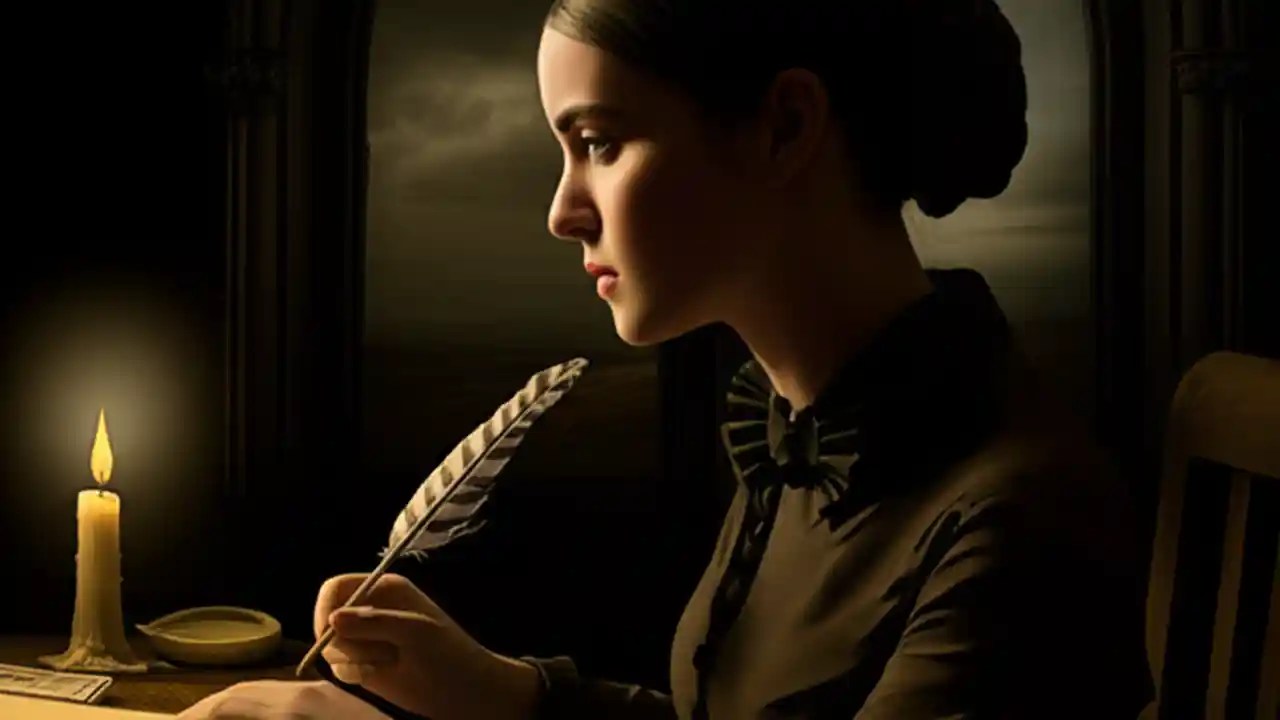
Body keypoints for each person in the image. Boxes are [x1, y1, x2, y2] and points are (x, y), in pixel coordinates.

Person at [179, 0, 1155, 718]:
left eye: (598, 142)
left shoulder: (1016, 526)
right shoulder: (799, 436)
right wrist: (502, 695)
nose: (562, 211)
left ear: (785, 127)